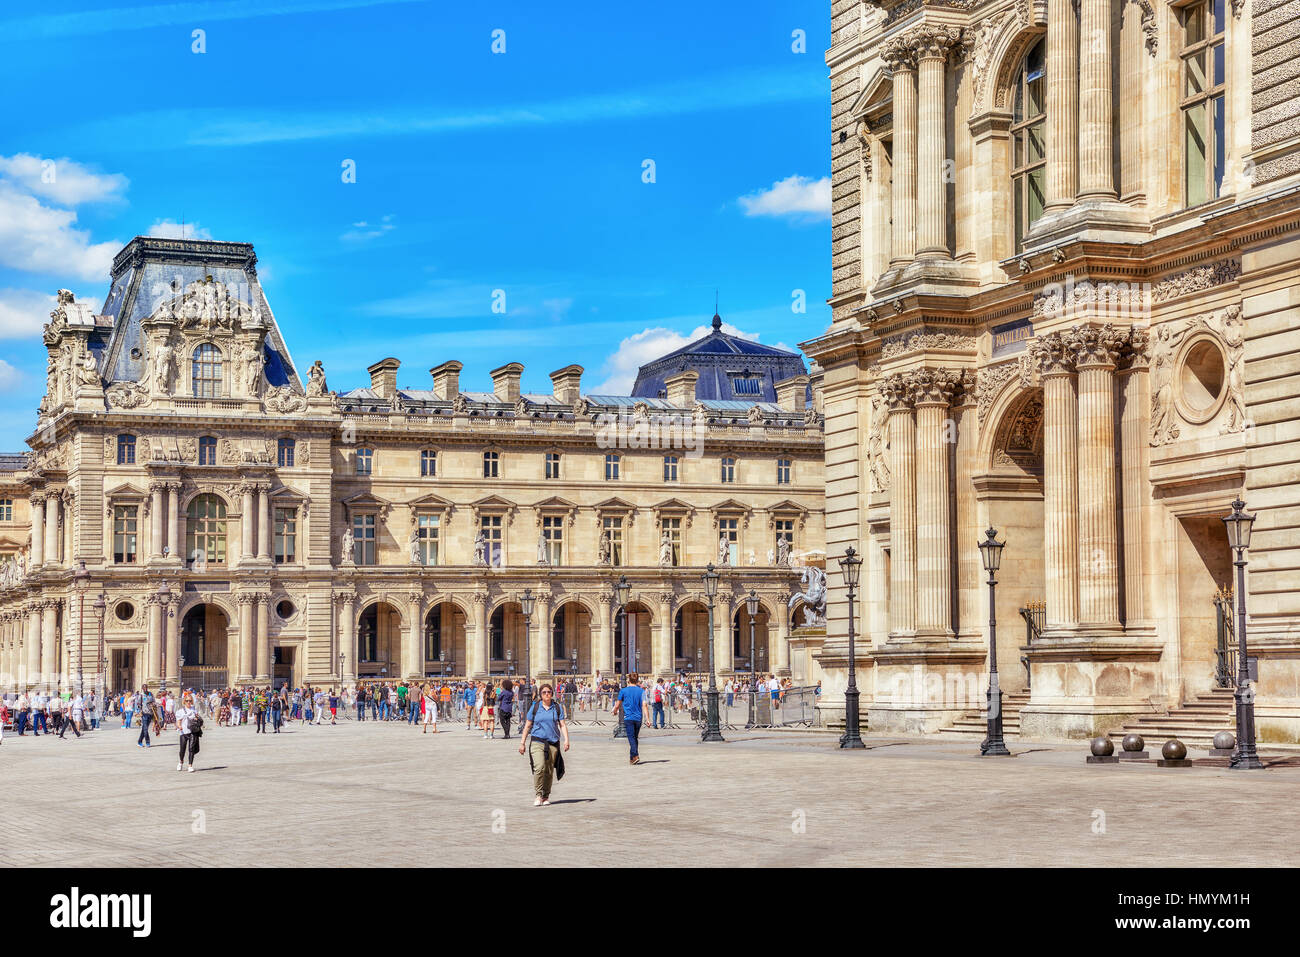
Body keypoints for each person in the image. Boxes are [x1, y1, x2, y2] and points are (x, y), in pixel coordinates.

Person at [518, 684, 570, 806]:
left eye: (549, 692)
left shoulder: (557, 707)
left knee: (549, 770)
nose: (547, 694)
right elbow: (527, 725)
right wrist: (522, 743)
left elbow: (562, 725)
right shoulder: (535, 707)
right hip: (537, 741)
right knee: (540, 767)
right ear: (540, 695)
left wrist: (566, 740)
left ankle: (546, 795)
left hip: (553, 742)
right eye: (544, 692)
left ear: (552, 693)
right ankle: (538, 794)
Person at [613, 673, 648, 765]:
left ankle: (635, 755)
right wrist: (648, 719)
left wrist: (615, 711)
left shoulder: (623, 691)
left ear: (628, 680)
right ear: (637, 681)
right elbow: (644, 705)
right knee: (634, 738)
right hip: (638, 718)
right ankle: (632, 759)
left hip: (628, 718)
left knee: (631, 738)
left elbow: (618, 704)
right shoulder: (641, 691)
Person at [176, 695, 200, 772]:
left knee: (191, 749)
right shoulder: (180, 711)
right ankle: (181, 762)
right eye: (187, 701)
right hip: (183, 732)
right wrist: (179, 726)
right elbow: (178, 721)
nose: (189, 702)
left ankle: (190, 765)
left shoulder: (194, 710)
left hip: (193, 731)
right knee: (182, 749)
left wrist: (197, 719)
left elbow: (197, 719)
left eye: (190, 700)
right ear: (184, 701)